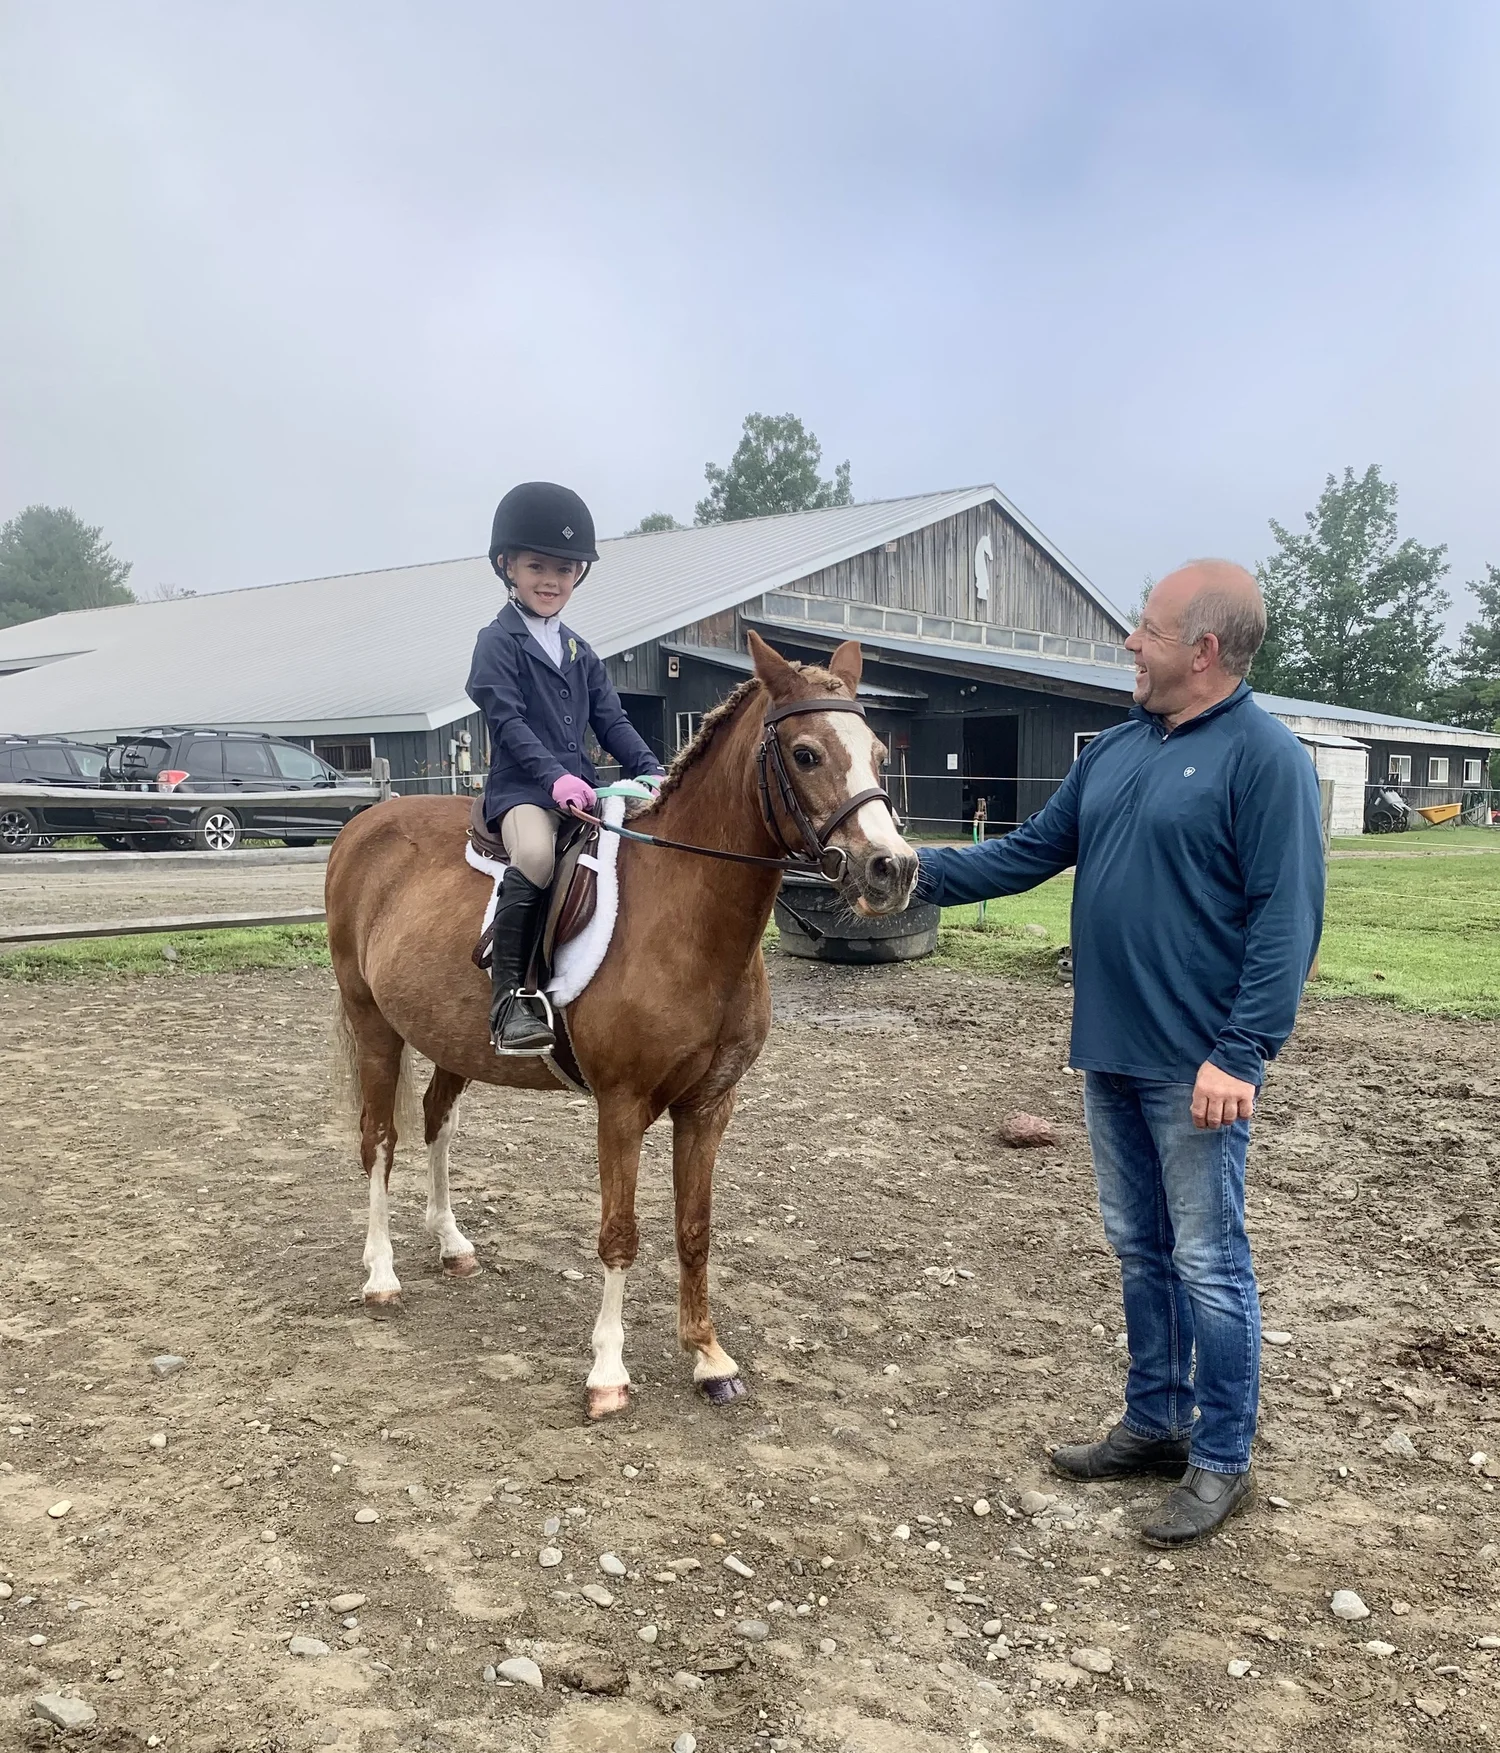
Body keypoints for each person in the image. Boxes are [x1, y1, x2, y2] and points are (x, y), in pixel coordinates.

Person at [915, 560, 1325, 1546]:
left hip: (1198, 1066)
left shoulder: (1265, 757)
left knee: (1209, 1260)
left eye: (1148, 629)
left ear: (1204, 650)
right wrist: (907, 872)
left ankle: (1221, 1455)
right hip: (1111, 1049)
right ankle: (1154, 1421)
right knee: (1141, 1247)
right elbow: (1027, 852)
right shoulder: (1117, 748)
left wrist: (1242, 1052)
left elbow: (1288, 918)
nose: (1130, 643)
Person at [467, 482, 664, 1055]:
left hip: (582, 793)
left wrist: (653, 770)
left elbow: (613, 722)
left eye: (564, 569)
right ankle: (509, 1000)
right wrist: (554, 777)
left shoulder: (580, 651)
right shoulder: (496, 643)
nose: (551, 580)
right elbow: (507, 721)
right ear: (508, 566)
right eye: (537, 567)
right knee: (534, 855)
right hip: (524, 792)